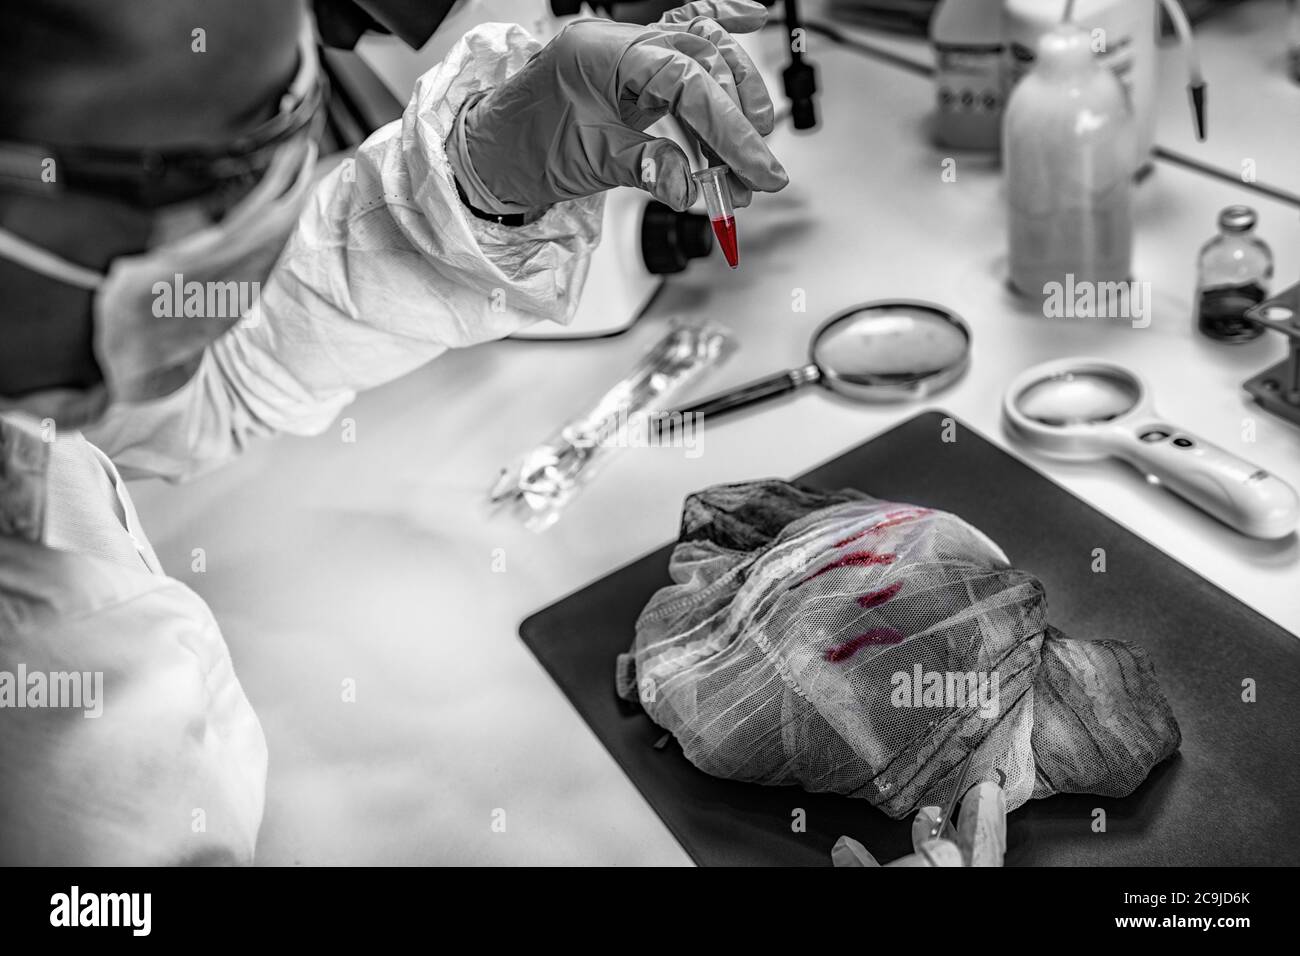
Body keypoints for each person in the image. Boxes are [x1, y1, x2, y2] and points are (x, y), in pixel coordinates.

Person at [0, 0, 787, 863]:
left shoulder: (41, 376)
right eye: (212, 173)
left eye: (290, 128)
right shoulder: (49, 738)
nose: (264, 209)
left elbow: (219, 366)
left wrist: (486, 175)